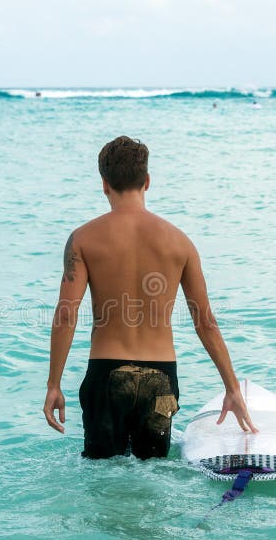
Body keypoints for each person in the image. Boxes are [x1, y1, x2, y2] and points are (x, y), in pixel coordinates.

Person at [43, 136, 258, 460]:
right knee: (152, 476)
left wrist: (53, 385)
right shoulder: (180, 242)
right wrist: (232, 388)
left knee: (102, 476)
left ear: (104, 184)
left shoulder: (83, 240)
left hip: (106, 377)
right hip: (161, 379)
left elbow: (66, 315)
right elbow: (206, 322)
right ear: (147, 181)